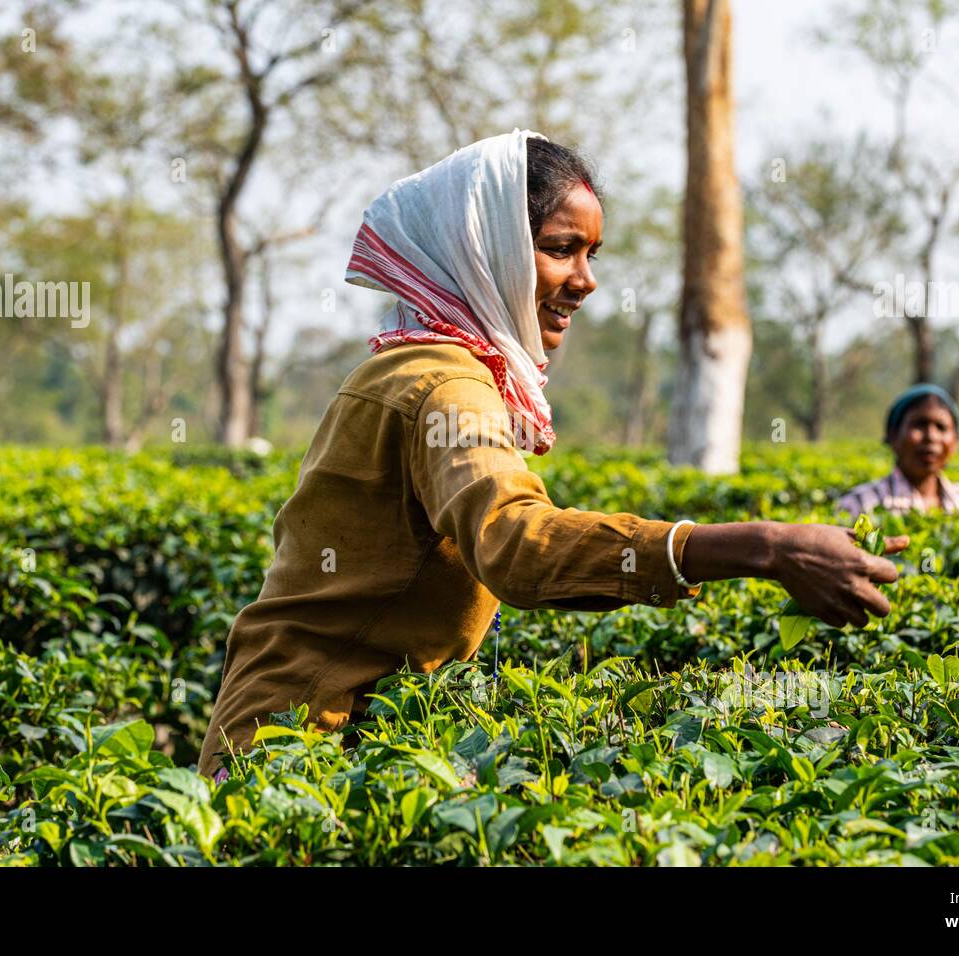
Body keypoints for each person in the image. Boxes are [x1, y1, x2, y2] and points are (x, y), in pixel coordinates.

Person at [196, 129, 909, 781]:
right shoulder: (446, 386)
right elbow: (519, 544)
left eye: (591, 255)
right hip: (293, 747)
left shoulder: (418, 364)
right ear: (489, 246)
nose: (585, 279)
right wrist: (766, 548)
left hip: (315, 729)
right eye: (560, 248)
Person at [837, 383, 959, 520]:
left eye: (941, 427)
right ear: (893, 436)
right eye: (919, 424)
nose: (931, 436)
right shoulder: (859, 504)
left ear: (955, 442)